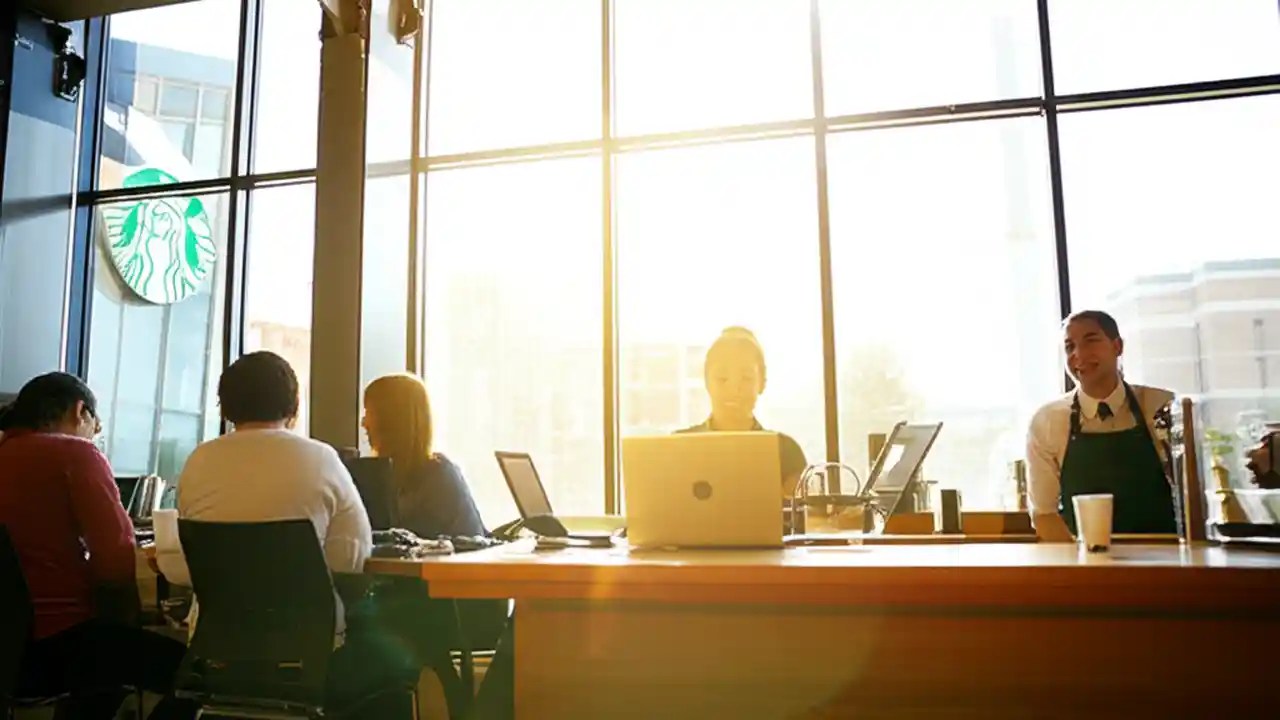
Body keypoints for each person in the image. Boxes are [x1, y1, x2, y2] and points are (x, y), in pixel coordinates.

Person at [154, 352, 417, 718]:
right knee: (399, 658)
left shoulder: (199, 461)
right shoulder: (321, 459)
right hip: (312, 654)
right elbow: (351, 560)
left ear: (225, 406)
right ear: (294, 405)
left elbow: (189, 562)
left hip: (217, 655)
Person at [0, 372, 197, 720]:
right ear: (81, 412)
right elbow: (116, 556)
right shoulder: (74, 453)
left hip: (11, 655)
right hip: (56, 644)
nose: (95, 435)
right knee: (191, 672)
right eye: (96, 425)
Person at [1025, 311, 1177, 542]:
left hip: (1165, 561)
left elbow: (1190, 496)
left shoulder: (1161, 406)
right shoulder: (1047, 421)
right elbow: (1044, 514)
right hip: (1086, 566)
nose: (1079, 355)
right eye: (1069, 347)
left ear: (1117, 346)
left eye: (1091, 340)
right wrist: (1082, 570)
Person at [676, 327, 808, 495]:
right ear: (707, 382)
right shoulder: (679, 448)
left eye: (746, 378)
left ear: (762, 383)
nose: (734, 389)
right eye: (722, 378)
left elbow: (803, 517)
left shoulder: (785, 451)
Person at [362, 373, 485, 539]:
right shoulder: (386, 476)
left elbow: (411, 542)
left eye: (369, 412)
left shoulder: (438, 478)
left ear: (390, 419)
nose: (364, 423)